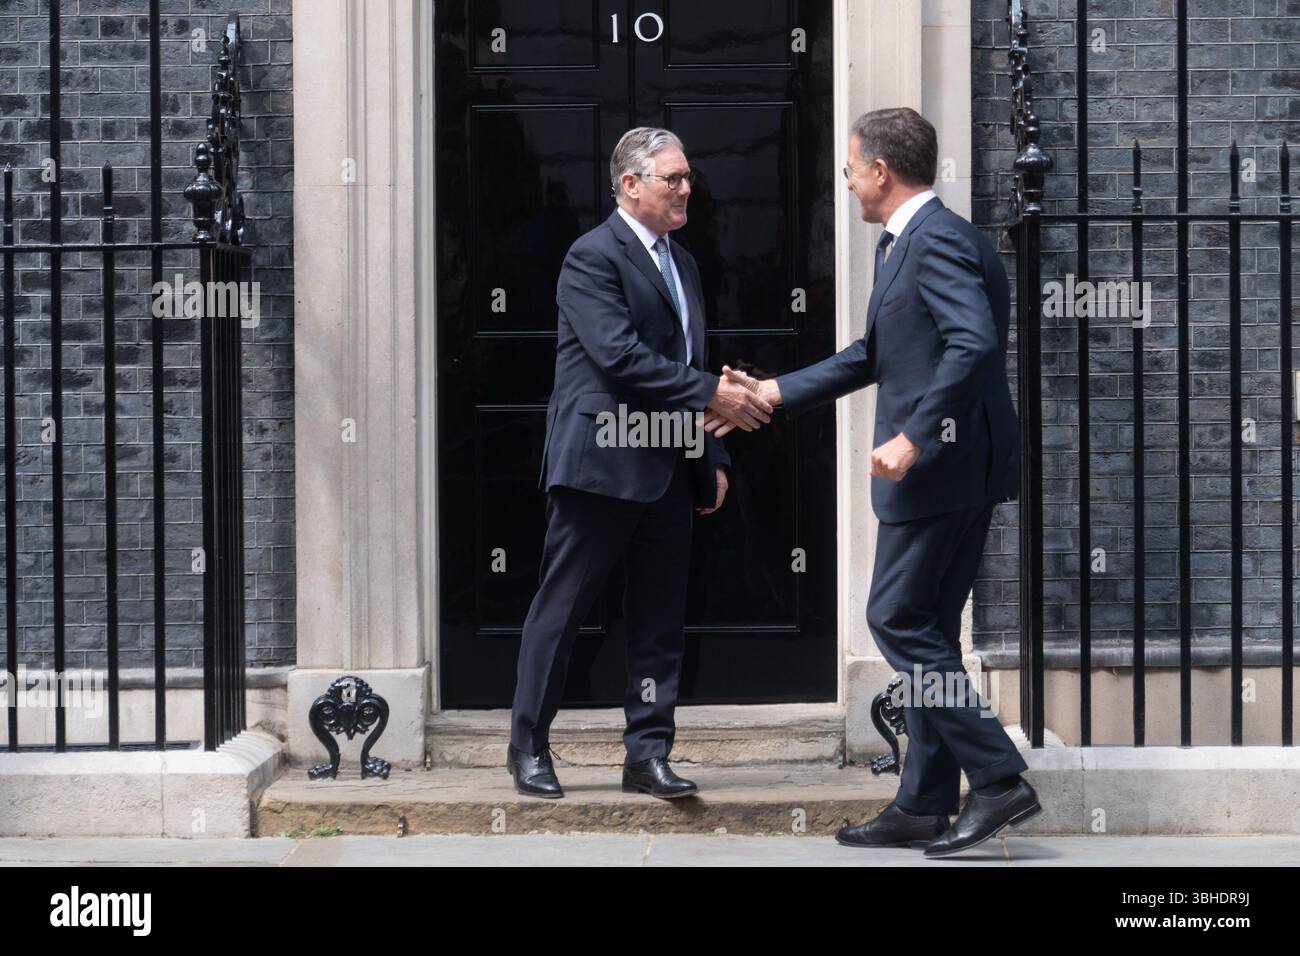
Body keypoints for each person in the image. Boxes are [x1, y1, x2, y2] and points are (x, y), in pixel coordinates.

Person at [713, 107, 1041, 857]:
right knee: (922, 629)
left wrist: (914, 437)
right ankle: (924, 803)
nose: (848, 180)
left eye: (851, 166)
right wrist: (773, 392)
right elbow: (873, 353)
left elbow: (973, 341)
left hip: (939, 470)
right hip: (955, 469)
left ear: (881, 171)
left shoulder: (935, 243)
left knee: (893, 619)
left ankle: (995, 779)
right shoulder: (911, 244)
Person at [507, 127, 772, 800]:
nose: (688, 188)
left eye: (688, 177)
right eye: (673, 178)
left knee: (658, 621)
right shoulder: (591, 257)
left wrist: (707, 451)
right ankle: (529, 747)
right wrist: (713, 394)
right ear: (630, 184)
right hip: (601, 462)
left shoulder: (683, 264)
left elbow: (687, 368)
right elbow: (619, 357)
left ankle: (646, 755)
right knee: (561, 611)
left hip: (667, 469)